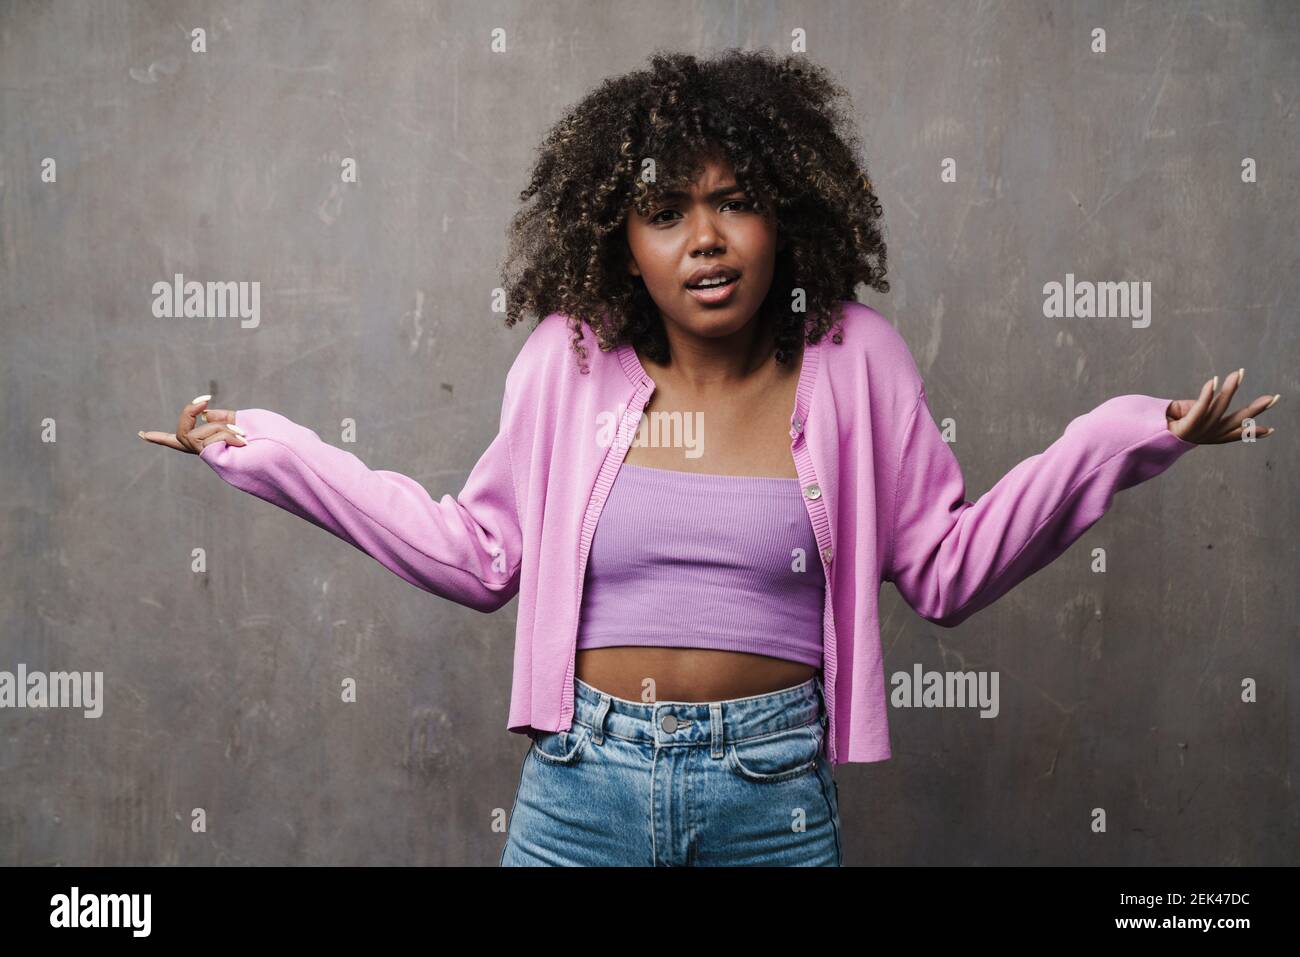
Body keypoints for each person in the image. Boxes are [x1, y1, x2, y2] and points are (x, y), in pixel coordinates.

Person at [139, 50, 1278, 866]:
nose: (705, 240)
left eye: (733, 203)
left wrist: (1135, 435)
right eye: (666, 213)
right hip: (583, 785)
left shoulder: (856, 360)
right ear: (618, 241)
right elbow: (479, 554)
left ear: (783, 218)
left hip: (771, 795)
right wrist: (263, 449)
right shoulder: (567, 362)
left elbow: (947, 568)